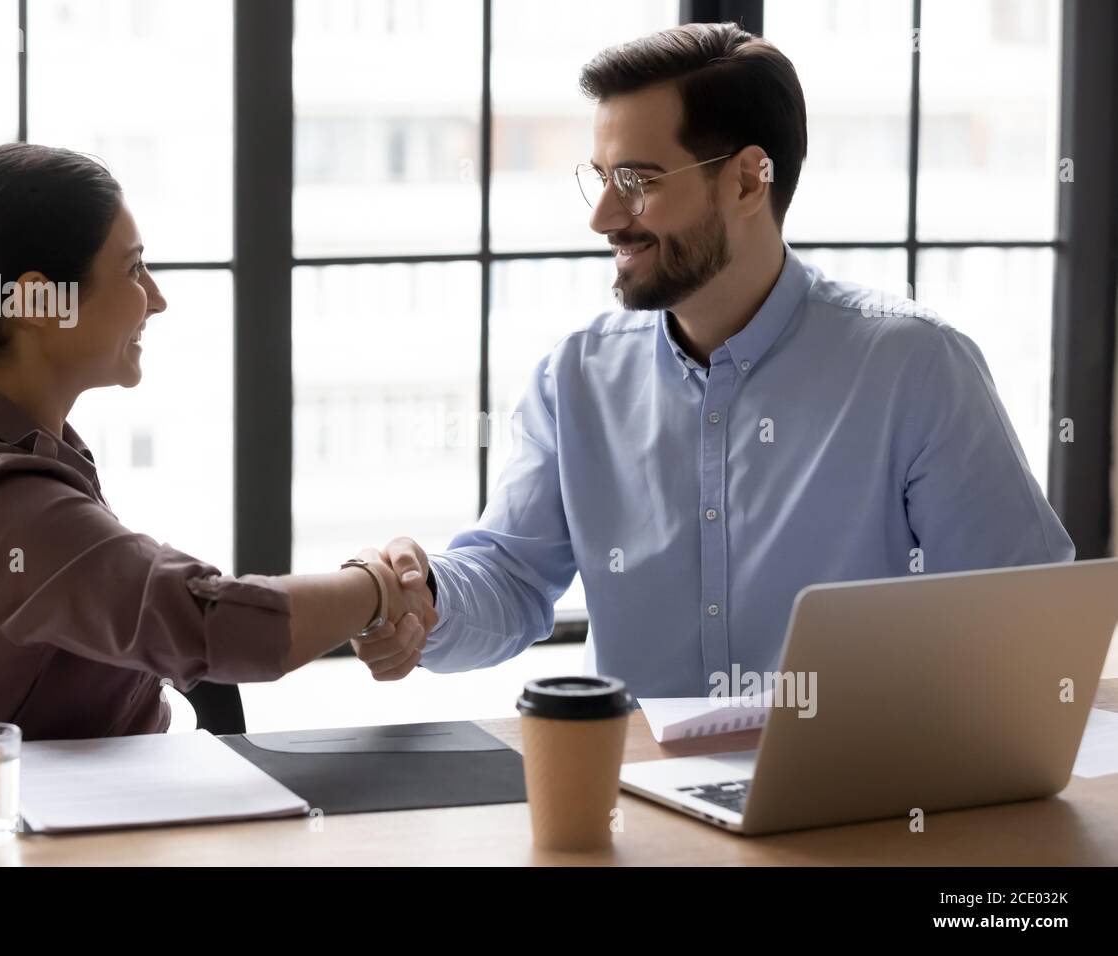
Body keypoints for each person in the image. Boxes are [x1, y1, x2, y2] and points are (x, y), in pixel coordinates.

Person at [367, 22, 1074, 701]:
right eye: (602, 178)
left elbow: (1024, 623)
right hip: (637, 807)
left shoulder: (916, 369)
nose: (604, 217)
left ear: (745, 181)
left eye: (638, 182)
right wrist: (424, 599)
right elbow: (513, 579)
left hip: (855, 806)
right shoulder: (577, 377)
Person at [0, 143, 434, 753]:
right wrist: (374, 587)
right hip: (12, 832)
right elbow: (207, 627)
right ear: (35, 302)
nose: (156, 298)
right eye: (133, 268)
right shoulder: (8, 500)